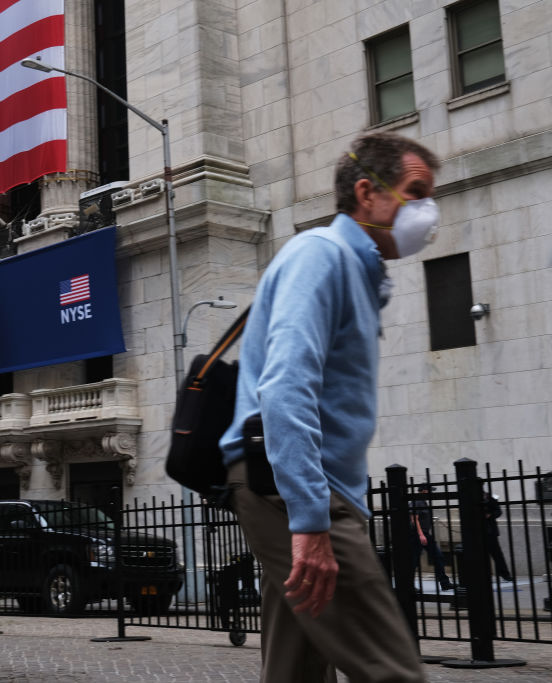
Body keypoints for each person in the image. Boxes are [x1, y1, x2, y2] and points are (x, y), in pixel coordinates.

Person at [220, 131, 440, 682]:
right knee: (392, 669)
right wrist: (312, 520)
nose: (429, 210)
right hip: (294, 487)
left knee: (294, 670)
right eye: (417, 191)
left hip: (301, 489)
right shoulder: (321, 256)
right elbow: (286, 386)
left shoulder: (358, 274)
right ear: (367, 193)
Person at [410, 484, 454, 590]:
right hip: (418, 535)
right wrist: (421, 535)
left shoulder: (423, 502)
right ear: (424, 491)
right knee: (413, 560)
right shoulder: (417, 502)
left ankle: (445, 583)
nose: (432, 493)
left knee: (437, 557)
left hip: (424, 534)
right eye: (430, 491)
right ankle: (408, 585)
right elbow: (414, 519)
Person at [483, 490, 513, 581]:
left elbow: (498, 511)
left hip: (490, 530)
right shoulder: (471, 497)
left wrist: (490, 515)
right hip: (477, 531)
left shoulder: (490, 497)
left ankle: (504, 574)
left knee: (497, 554)